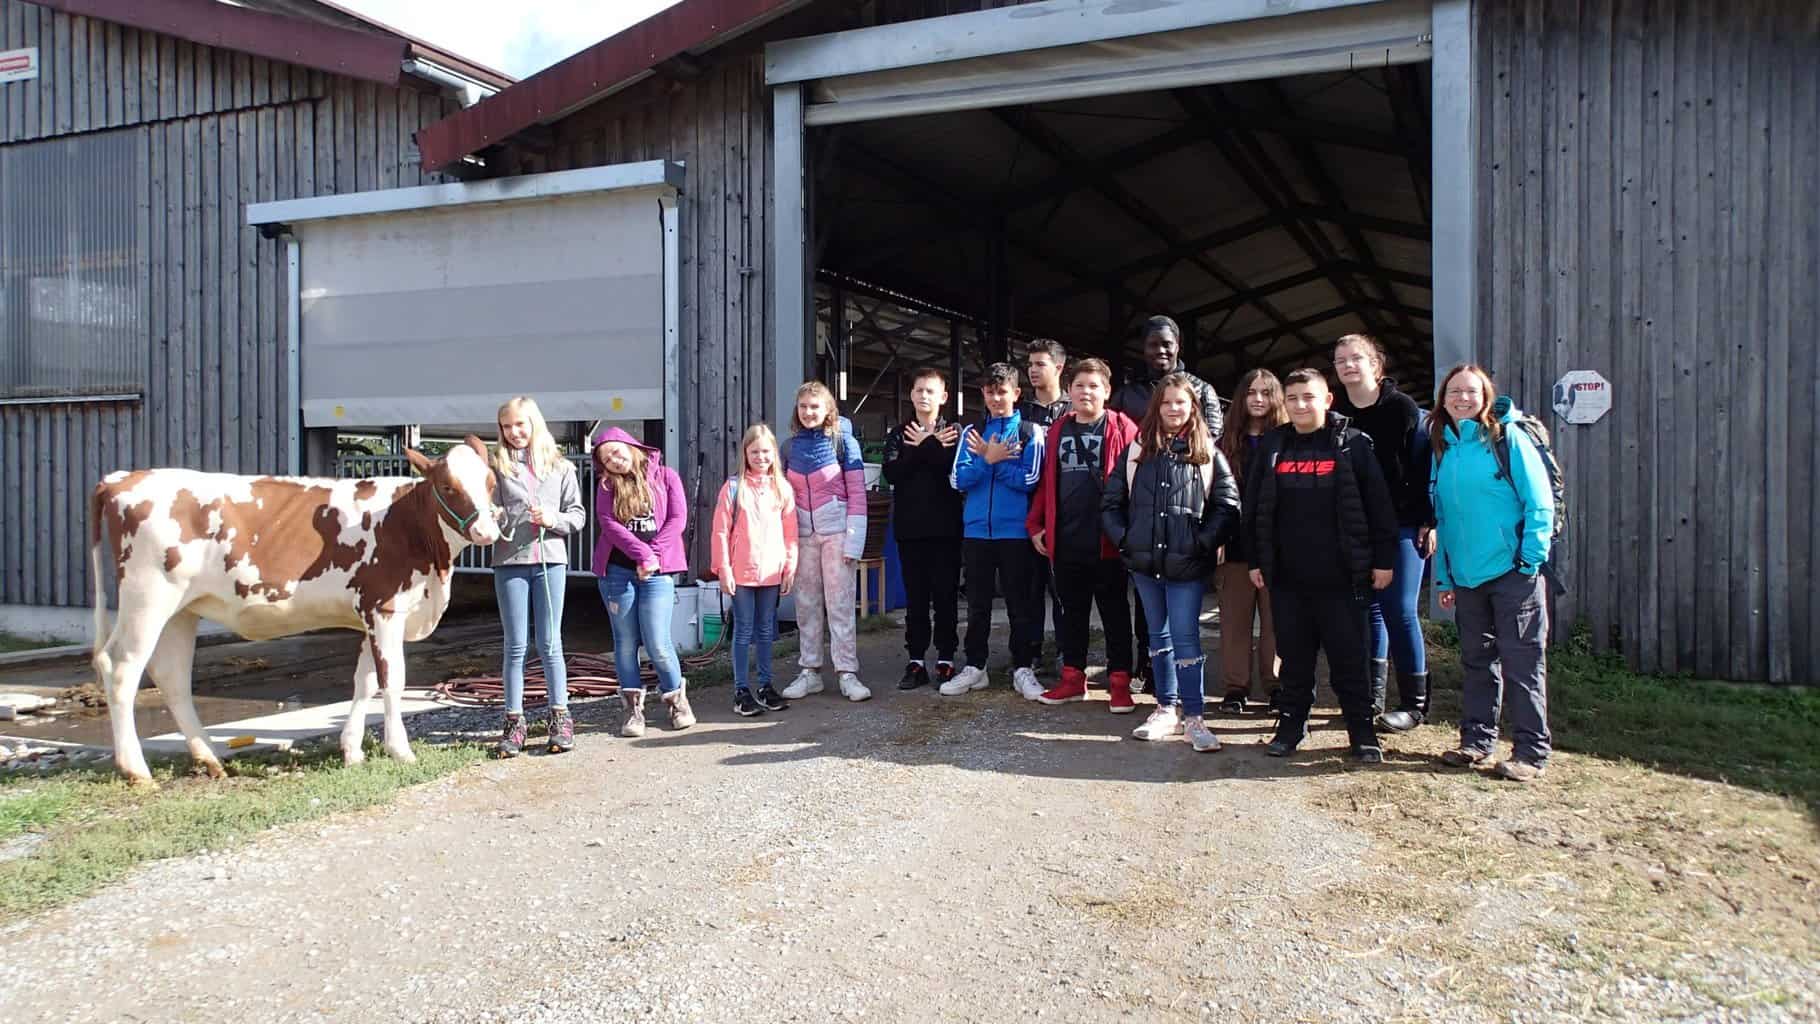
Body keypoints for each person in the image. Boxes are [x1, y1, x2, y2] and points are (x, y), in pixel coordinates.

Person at [1242, 368, 1397, 763]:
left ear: (1327, 400)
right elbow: (1255, 507)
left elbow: (1379, 507)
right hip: (1289, 577)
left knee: (1350, 660)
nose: (1299, 405)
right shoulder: (1274, 446)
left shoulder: (1353, 445)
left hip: (1343, 577)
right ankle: (1292, 727)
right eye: (1292, 398)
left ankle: (1362, 734)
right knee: (1294, 659)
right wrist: (1257, 560)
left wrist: (1382, 561)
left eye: (1308, 397)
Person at [1430, 364, 1556, 783]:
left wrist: (1530, 561)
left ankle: (1531, 752)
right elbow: (1444, 519)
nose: (1461, 399)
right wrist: (1445, 578)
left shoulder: (1507, 438)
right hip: (1467, 577)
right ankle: (1477, 742)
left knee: (1522, 662)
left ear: (1485, 396)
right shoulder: (1444, 448)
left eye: (1470, 391)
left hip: (1512, 572)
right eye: (1453, 392)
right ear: (1442, 399)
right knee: (1477, 661)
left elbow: (1539, 503)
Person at [1101, 373, 1239, 751]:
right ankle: (1165, 708)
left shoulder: (1207, 451)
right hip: (1145, 565)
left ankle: (1194, 716)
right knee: (1157, 639)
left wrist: (1202, 543)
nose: (1173, 409)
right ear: (1156, 408)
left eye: (1181, 402)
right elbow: (1111, 502)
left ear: (1193, 407)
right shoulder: (1138, 449)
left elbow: (1227, 505)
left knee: (1184, 636)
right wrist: (1127, 539)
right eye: (1166, 403)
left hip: (1187, 566)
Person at [1108, 315, 1225, 689]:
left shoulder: (1202, 390)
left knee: (1181, 612)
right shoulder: (1126, 394)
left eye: (1166, 343)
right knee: (1147, 604)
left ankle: (1185, 692)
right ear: (1142, 349)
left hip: (1184, 508)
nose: (1159, 350)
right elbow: (1123, 447)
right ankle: (1150, 666)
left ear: (1178, 346)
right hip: (1143, 508)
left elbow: (1210, 444)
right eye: (1152, 344)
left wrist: (1207, 536)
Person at [1332, 333, 1434, 731]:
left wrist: (1429, 520)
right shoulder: (1336, 414)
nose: (1347, 366)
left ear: (1376, 365)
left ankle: (1414, 704)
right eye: (1340, 360)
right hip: (1358, 527)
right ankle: (1372, 699)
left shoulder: (1404, 411)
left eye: (1355, 358)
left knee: (1399, 609)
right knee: (1369, 610)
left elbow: (1424, 470)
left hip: (1404, 524)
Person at [1025, 357, 1139, 711]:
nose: (1086, 392)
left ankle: (1120, 682)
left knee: (1116, 615)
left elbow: (1138, 483)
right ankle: (1073, 679)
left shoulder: (1123, 427)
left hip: (1108, 543)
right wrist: (1036, 524)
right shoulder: (1058, 429)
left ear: (1106, 391)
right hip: (1067, 540)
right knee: (1071, 613)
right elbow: (1047, 482)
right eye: (1079, 385)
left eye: (1094, 386)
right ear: (1069, 390)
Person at [489, 396, 587, 758]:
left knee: (550, 643)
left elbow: (577, 516)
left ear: (534, 424)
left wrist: (553, 519)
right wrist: (497, 516)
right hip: (510, 562)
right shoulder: (495, 467)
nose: (513, 432)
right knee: (515, 646)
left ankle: (560, 719)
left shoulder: (560, 467)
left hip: (550, 561)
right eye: (506, 427)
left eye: (520, 425)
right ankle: (514, 722)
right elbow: (488, 512)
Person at [942, 362, 1045, 698]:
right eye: (990, 392)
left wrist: (993, 460)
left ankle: (1023, 667)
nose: (996, 398)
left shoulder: (1031, 432)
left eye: (1002, 391)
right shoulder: (972, 433)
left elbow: (1029, 480)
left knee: (1020, 603)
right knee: (977, 604)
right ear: (983, 394)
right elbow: (958, 480)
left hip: (1015, 533)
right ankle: (975, 666)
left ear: (1016, 393)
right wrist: (989, 457)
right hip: (975, 533)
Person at [592, 426, 695, 738]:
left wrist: (653, 556)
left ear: (631, 446)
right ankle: (633, 709)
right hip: (617, 572)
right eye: (606, 458)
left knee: (658, 642)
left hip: (657, 573)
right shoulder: (607, 486)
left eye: (616, 450)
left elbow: (678, 519)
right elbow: (608, 524)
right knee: (625, 643)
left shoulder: (666, 476)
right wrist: (641, 554)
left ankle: (677, 700)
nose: (614, 459)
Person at [780, 381, 872, 702]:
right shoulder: (789, 448)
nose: (808, 412)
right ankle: (810, 671)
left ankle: (847, 672)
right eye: (803, 406)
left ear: (827, 409)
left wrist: (853, 542)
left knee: (840, 604)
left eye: (815, 407)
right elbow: (780, 496)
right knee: (806, 605)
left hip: (837, 534)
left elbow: (858, 495)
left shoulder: (844, 443)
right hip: (802, 535)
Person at [881, 367, 964, 691]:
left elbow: (951, 469)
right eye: (919, 390)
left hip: (946, 529)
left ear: (943, 396)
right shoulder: (898, 434)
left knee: (945, 596)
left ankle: (946, 658)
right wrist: (926, 447)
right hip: (910, 529)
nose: (924, 396)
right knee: (916, 599)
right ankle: (916, 660)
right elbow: (893, 473)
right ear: (911, 394)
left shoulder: (954, 431)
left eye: (931, 391)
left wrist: (923, 447)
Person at [711, 424, 799, 717]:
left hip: (772, 571)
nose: (761, 457)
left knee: (766, 629)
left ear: (774, 454)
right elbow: (720, 532)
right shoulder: (734, 488)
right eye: (755, 452)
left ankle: (765, 684)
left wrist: (789, 566)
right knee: (743, 630)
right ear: (745, 454)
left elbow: (791, 534)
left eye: (766, 451)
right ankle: (741, 689)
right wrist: (723, 569)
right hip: (742, 572)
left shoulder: (782, 489)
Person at [1213, 370, 1288, 716]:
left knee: (1277, 621)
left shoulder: (1288, 440)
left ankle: (1275, 686)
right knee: (1235, 621)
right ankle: (1235, 688)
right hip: (1236, 547)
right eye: (1251, 392)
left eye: (1265, 392)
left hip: (1278, 547)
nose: (1258, 399)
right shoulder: (1225, 443)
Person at [1018, 338, 1072, 679]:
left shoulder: (1073, 411)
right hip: (1024, 512)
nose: (1033, 371)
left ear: (1059, 367)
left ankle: (1068, 651)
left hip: (1064, 513)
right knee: (1028, 588)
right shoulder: (1019, 413)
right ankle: (1030, 652)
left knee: (1064, 588)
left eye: (1040, 364)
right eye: (1030, 365)